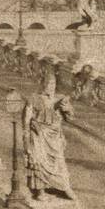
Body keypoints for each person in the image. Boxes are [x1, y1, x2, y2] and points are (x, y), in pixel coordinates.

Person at [24, 71, 75, 199]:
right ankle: (40, 191)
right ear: (42, 84)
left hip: (54, 136)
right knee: (39, 162)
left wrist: (67, 110)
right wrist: (26, 135)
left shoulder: (59, 98)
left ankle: (64, 187)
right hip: (38, 134)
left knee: (59, 162)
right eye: (48, 83)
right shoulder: (34, 98)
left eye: (53, 83)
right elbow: (26, 118)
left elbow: (70, 118)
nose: (51, 86)